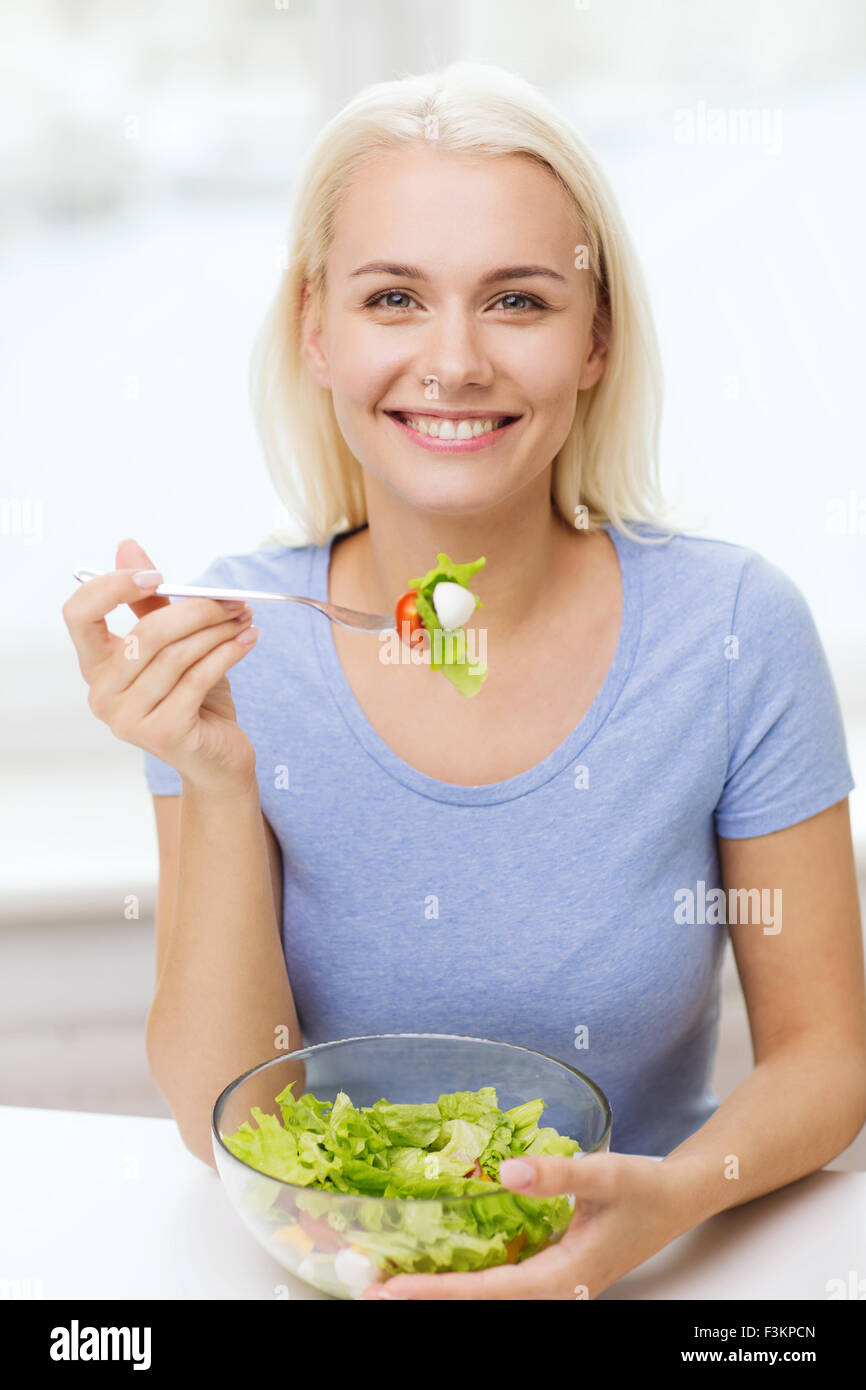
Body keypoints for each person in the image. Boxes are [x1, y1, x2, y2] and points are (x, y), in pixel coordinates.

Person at [62, 61, 866, 1300]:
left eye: (516, 301)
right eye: (393, 297)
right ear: (315, 330)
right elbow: (229, 1109)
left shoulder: (732, 628)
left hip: (664, 1277)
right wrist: (216, 779)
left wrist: (664, 1205)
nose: (452, 362)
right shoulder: (235, 639)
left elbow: (824, 1058)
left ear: (594, 339)